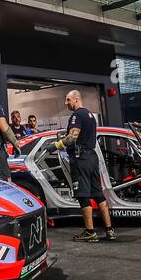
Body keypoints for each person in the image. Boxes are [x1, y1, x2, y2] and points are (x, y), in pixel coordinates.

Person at [54, 90, 114, 242]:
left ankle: (90, 232)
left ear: (76, 99)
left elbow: (72, 137)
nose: (65, 103)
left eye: (68, 100)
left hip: (81, 159)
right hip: (92, 157)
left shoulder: (77, 115)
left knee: (83, 195)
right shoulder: (89, 115)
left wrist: (57, 144)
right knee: (98, 193)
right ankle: (109, 230)